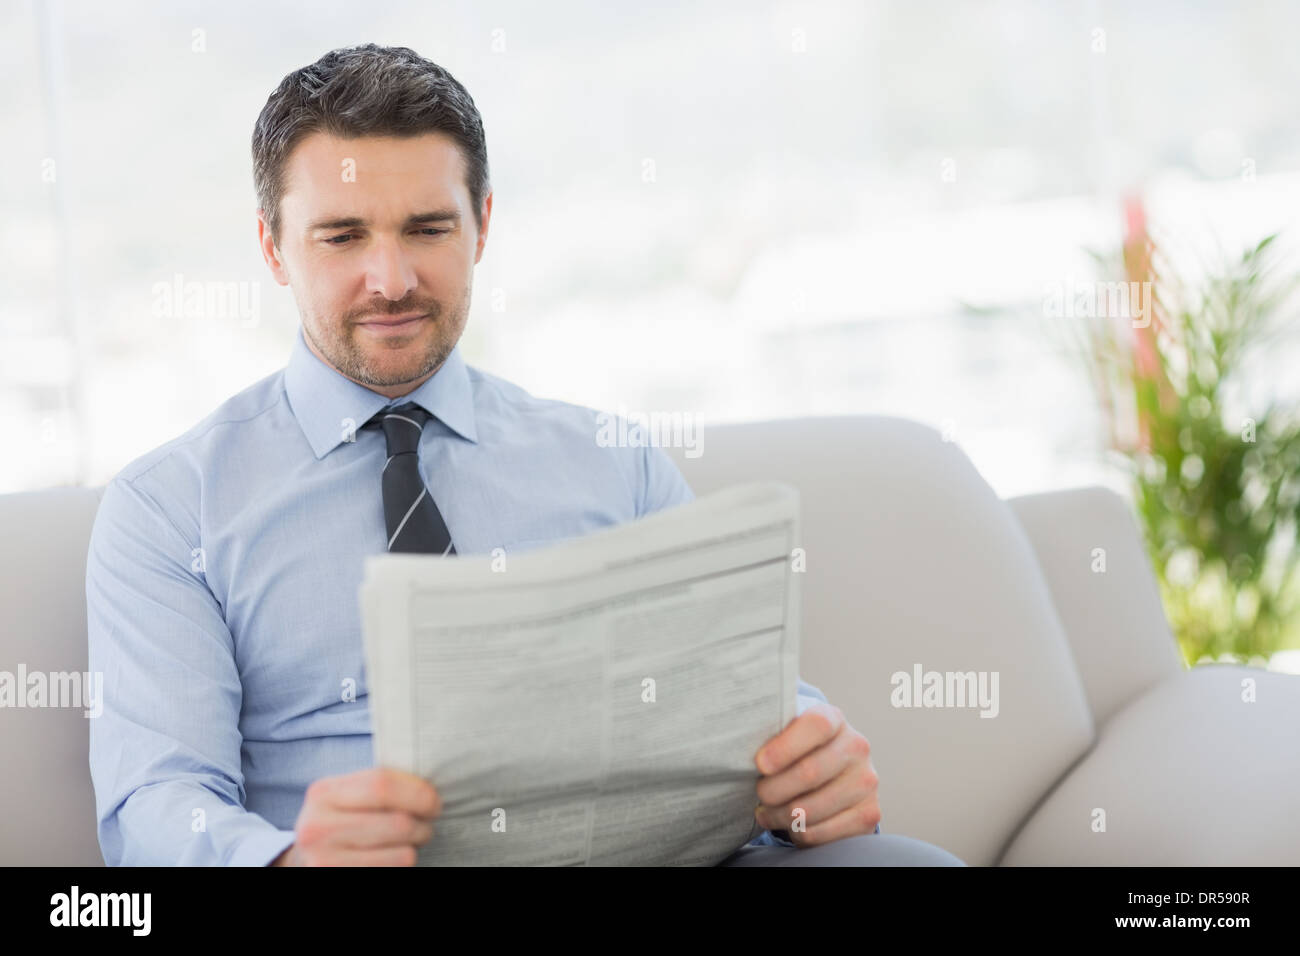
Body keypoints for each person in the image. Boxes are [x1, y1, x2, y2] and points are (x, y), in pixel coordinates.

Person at [86, 43, 963, 867]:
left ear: (483, 226)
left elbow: (732, 694)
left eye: (428, 228)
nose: (390, 279)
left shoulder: (612, 461)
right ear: (274, 246)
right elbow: (157, 801)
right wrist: (286, 860)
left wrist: (809, 757)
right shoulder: (170, 510)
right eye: (342, 236)